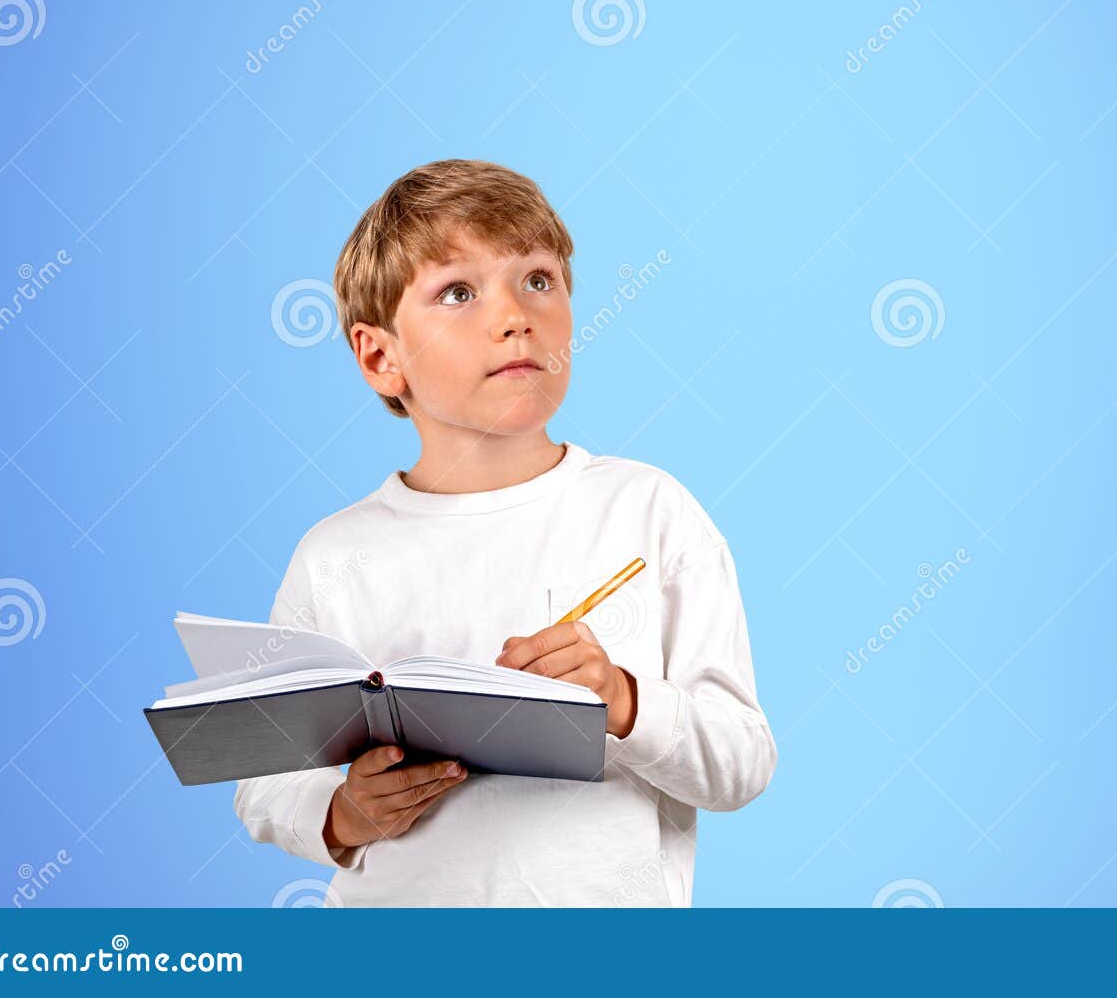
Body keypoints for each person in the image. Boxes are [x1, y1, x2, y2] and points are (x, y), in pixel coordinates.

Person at [232, 158, 776, 906]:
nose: (515, 314)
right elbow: (264, 780)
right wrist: (341, 814)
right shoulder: (333, 556)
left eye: (539, 280)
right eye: (459, 292)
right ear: (380, 356)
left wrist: (622, 699)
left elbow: (742, 760)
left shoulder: (651, 511)